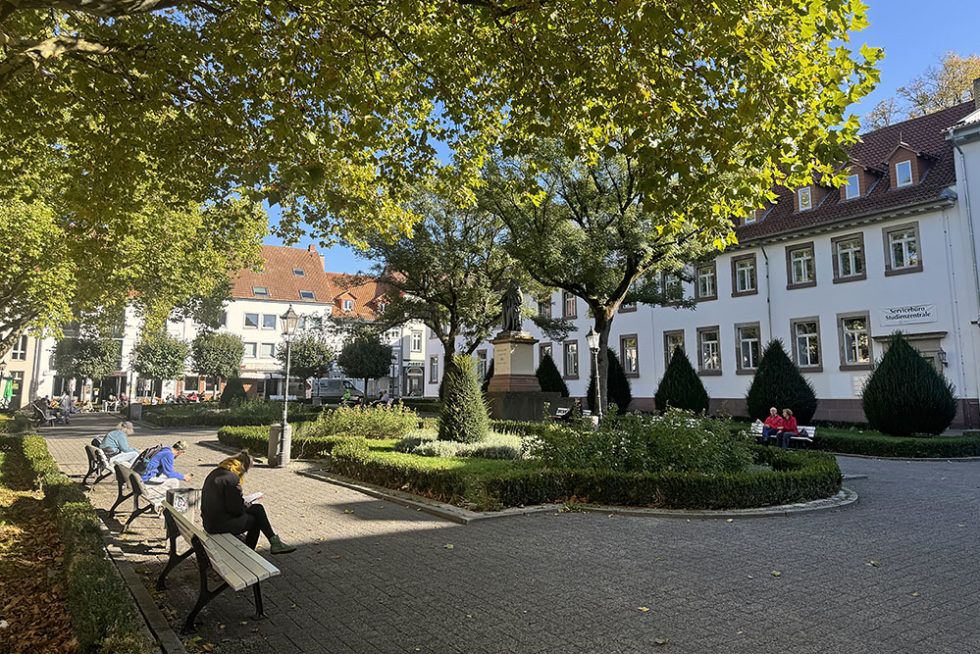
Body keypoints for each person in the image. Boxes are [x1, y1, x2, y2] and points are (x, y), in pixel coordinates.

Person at [201, 451, 296, 554]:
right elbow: (236, 510)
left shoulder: (215, 473)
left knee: (257, 509)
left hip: (209, 521)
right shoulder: (232, 479)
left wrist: (245, 504)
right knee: (256, 520)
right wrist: (246, 505)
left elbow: (227, 502)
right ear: (242, 468)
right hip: (219, 524)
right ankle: (250, 553)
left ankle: (274, 542)